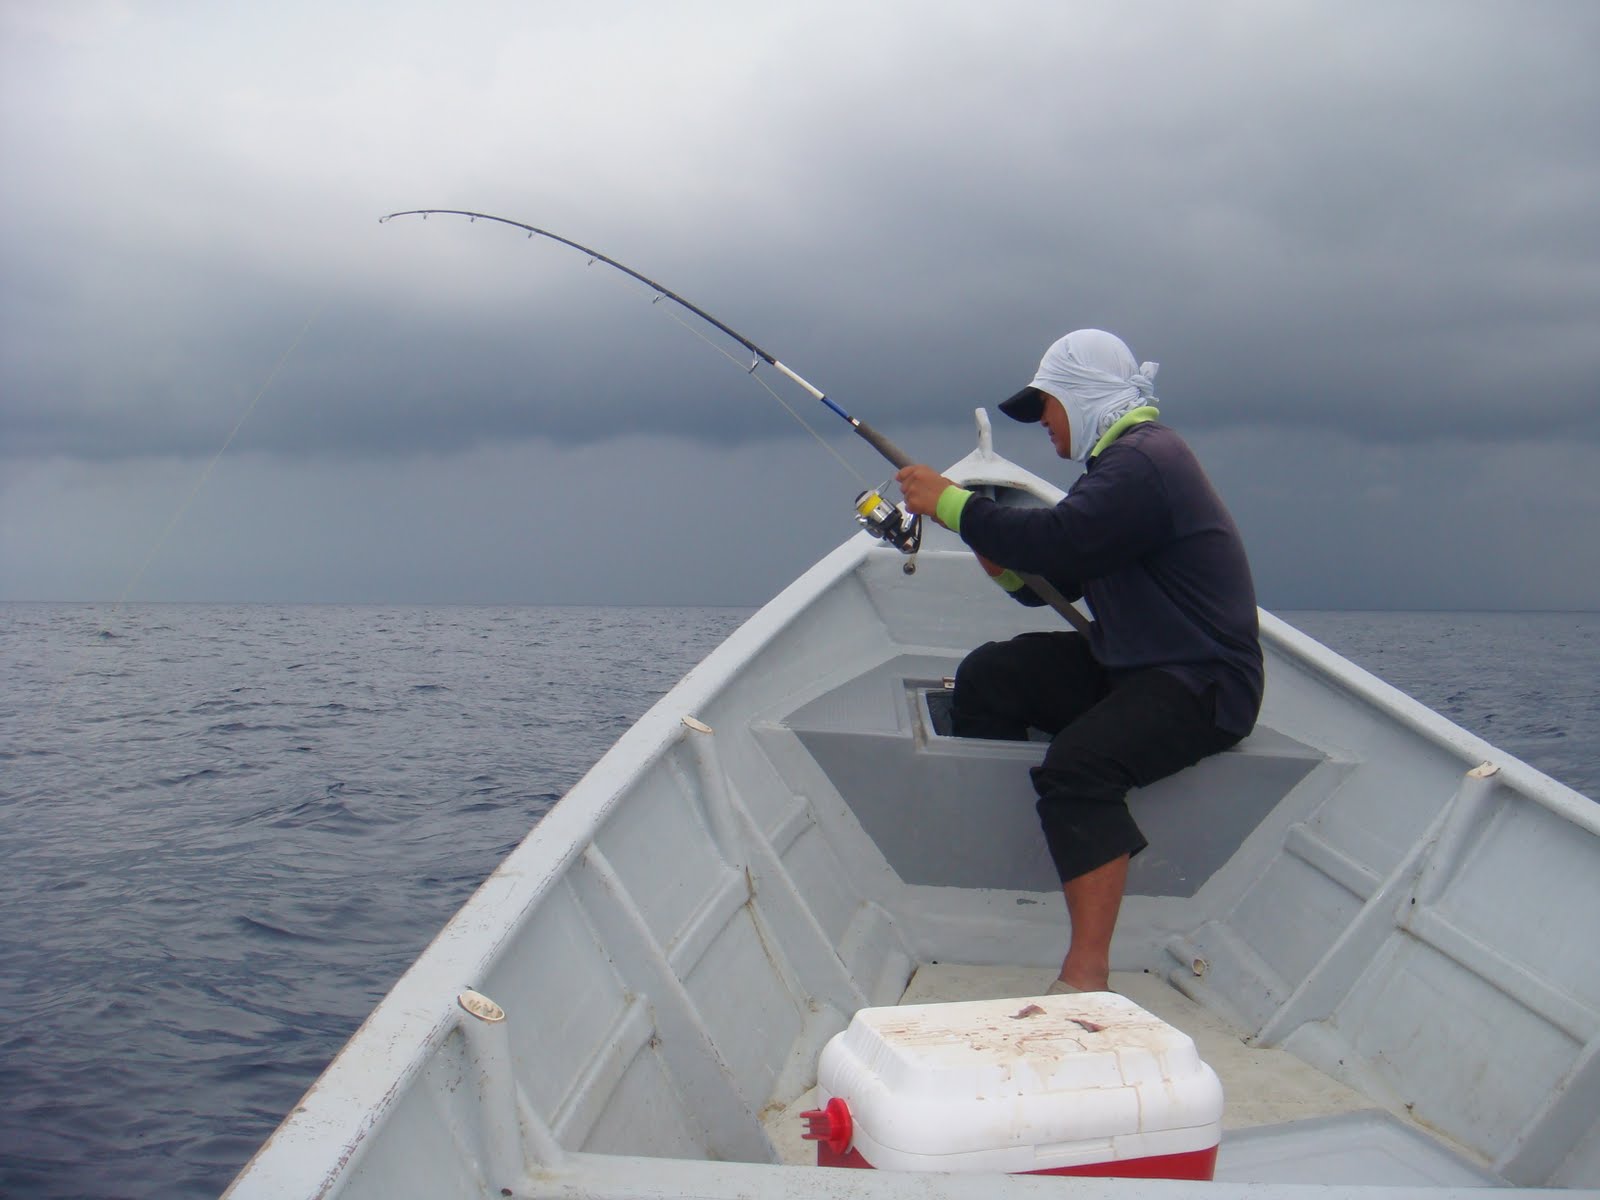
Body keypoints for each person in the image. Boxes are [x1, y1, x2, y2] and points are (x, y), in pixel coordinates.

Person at [895, 328, 1262, 994]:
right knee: (991, 678)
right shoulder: (1119, 476)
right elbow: (1050, 586)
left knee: (1078, 767)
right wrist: (987, 541)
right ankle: (1014, 864)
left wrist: (952, 504)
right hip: (1135, 662)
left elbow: (1061, 540)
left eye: (1046, 406)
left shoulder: (1146, 462)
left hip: (1204, 681)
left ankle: (1087, 971)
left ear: (1083, 396)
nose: (1042, 423)